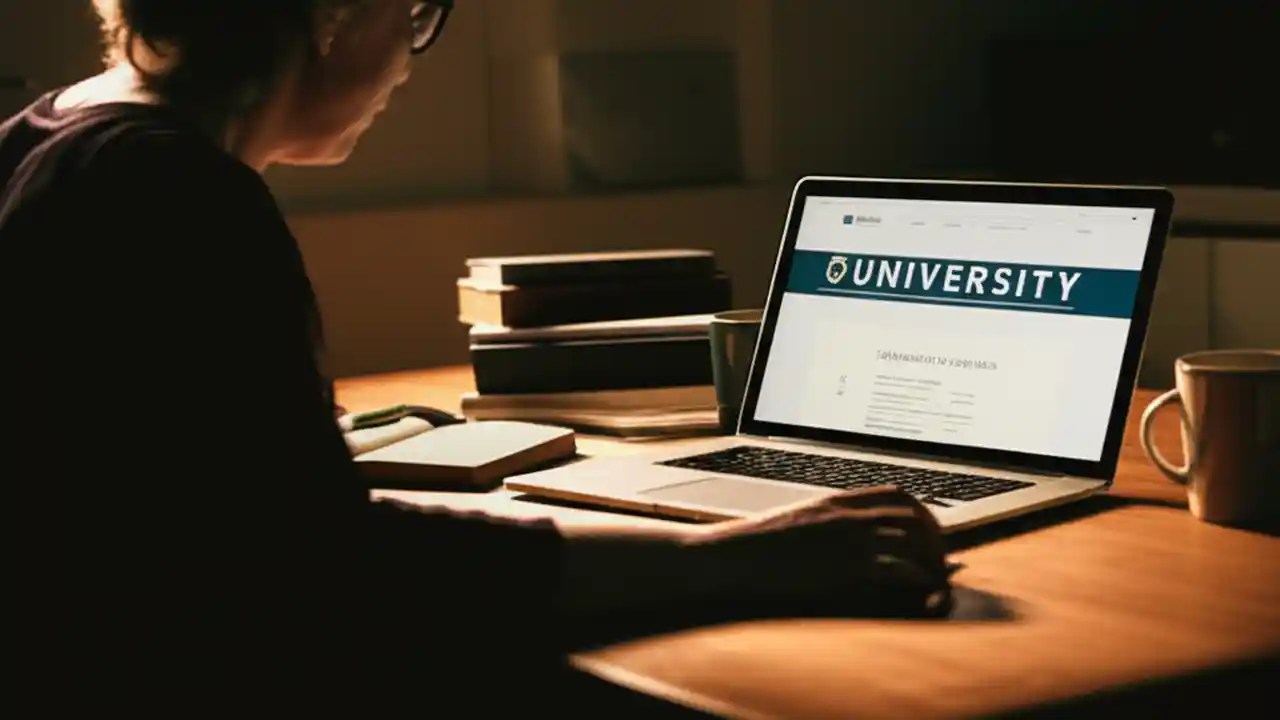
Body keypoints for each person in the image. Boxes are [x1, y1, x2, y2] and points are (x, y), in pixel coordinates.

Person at [1, 1, 953, 714]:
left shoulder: (48, 135)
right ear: (331, 12)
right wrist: (733, 560)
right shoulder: (170, 192)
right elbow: (332, 579)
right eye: (414, 15)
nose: (411, 61)